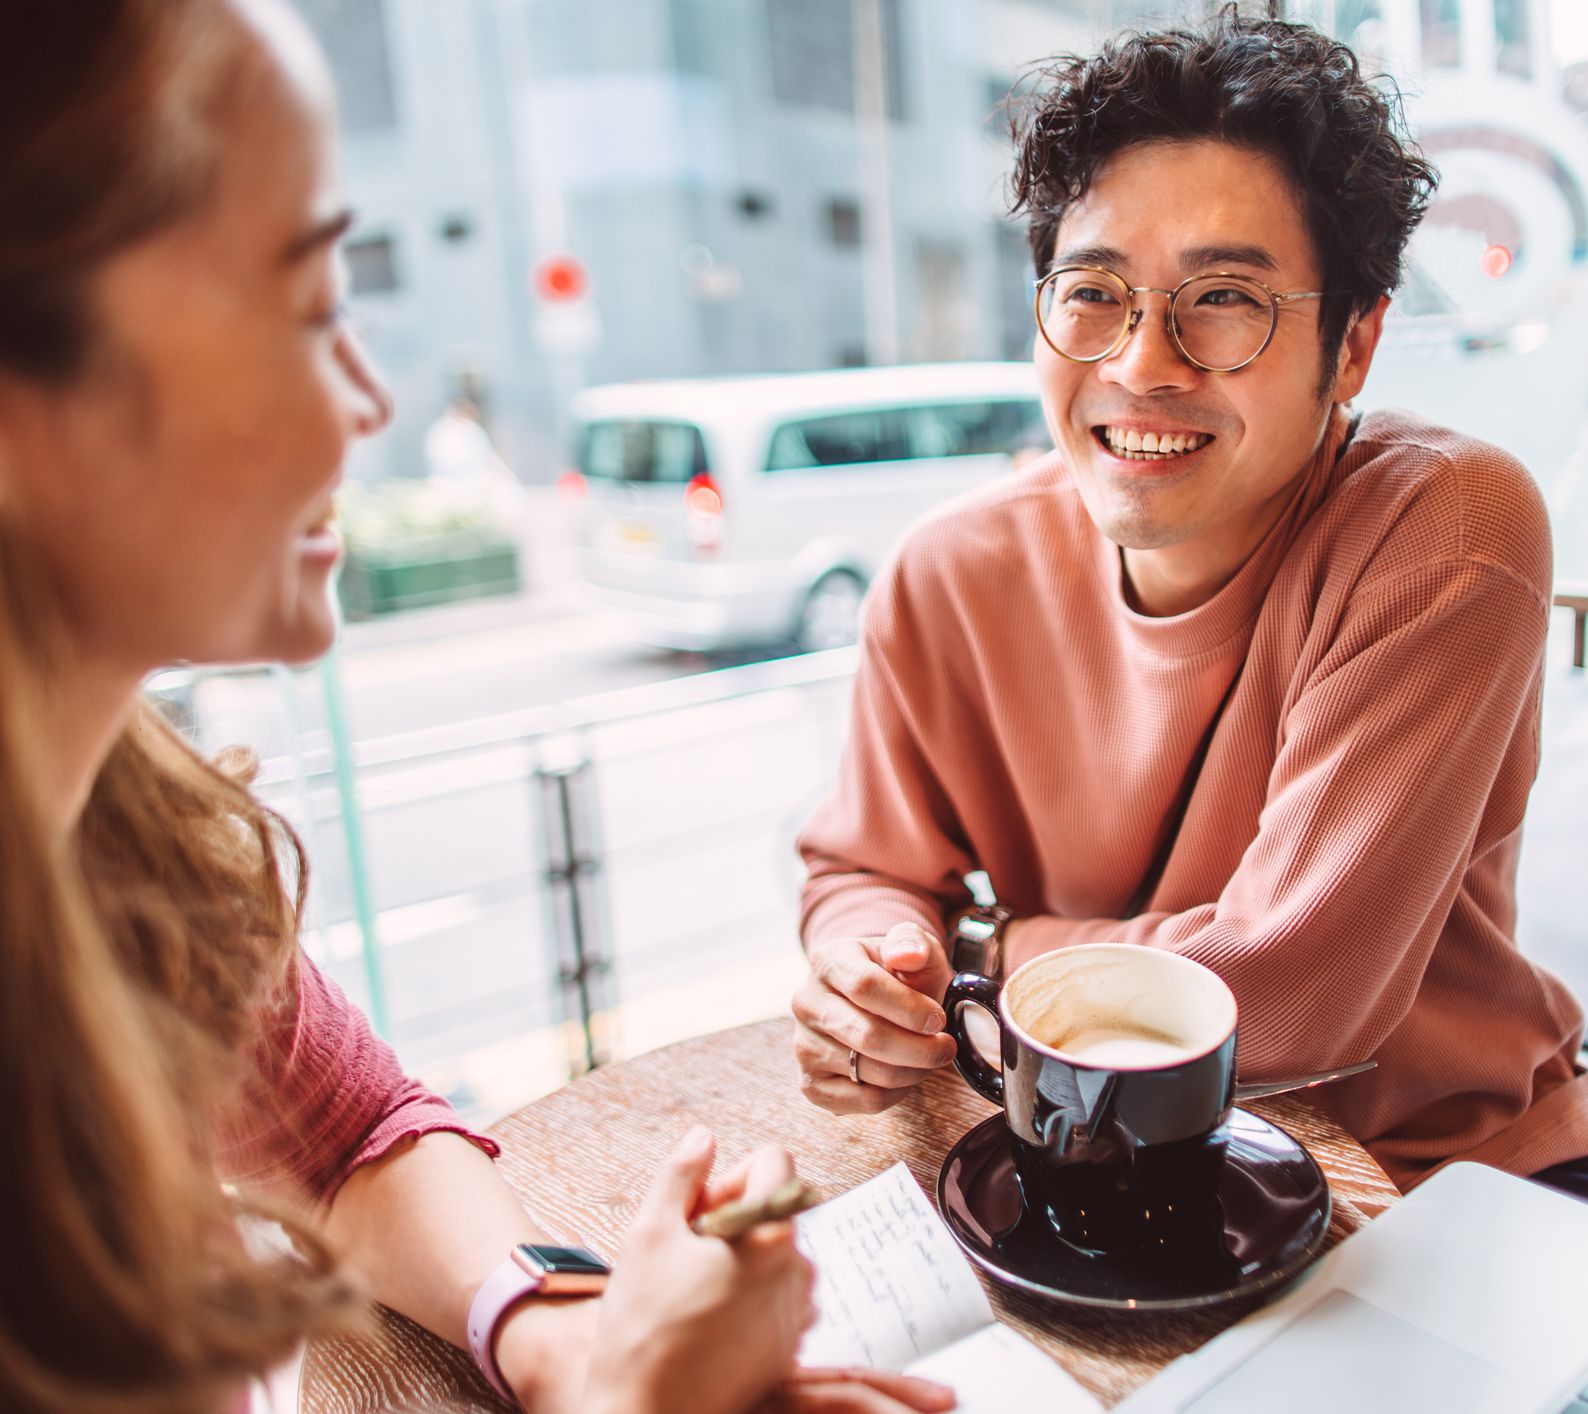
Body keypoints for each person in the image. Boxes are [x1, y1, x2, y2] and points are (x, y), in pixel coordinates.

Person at [0, 3, 954, 1411]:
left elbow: (343, 1140)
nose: (368, 403)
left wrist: (568, 1342)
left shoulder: (121, 832)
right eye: (308, 308)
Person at [791, 9, 1588, 1229]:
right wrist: (876, 970)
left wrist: (979, 951)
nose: (1142, 362)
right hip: (1096, 1168)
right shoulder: (947, 572)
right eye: (1093, 292)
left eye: (1223, 299)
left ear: (1353, 345)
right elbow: (866, 870)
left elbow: (1289, 993)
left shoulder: (1446, 524)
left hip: (1450, 1182)